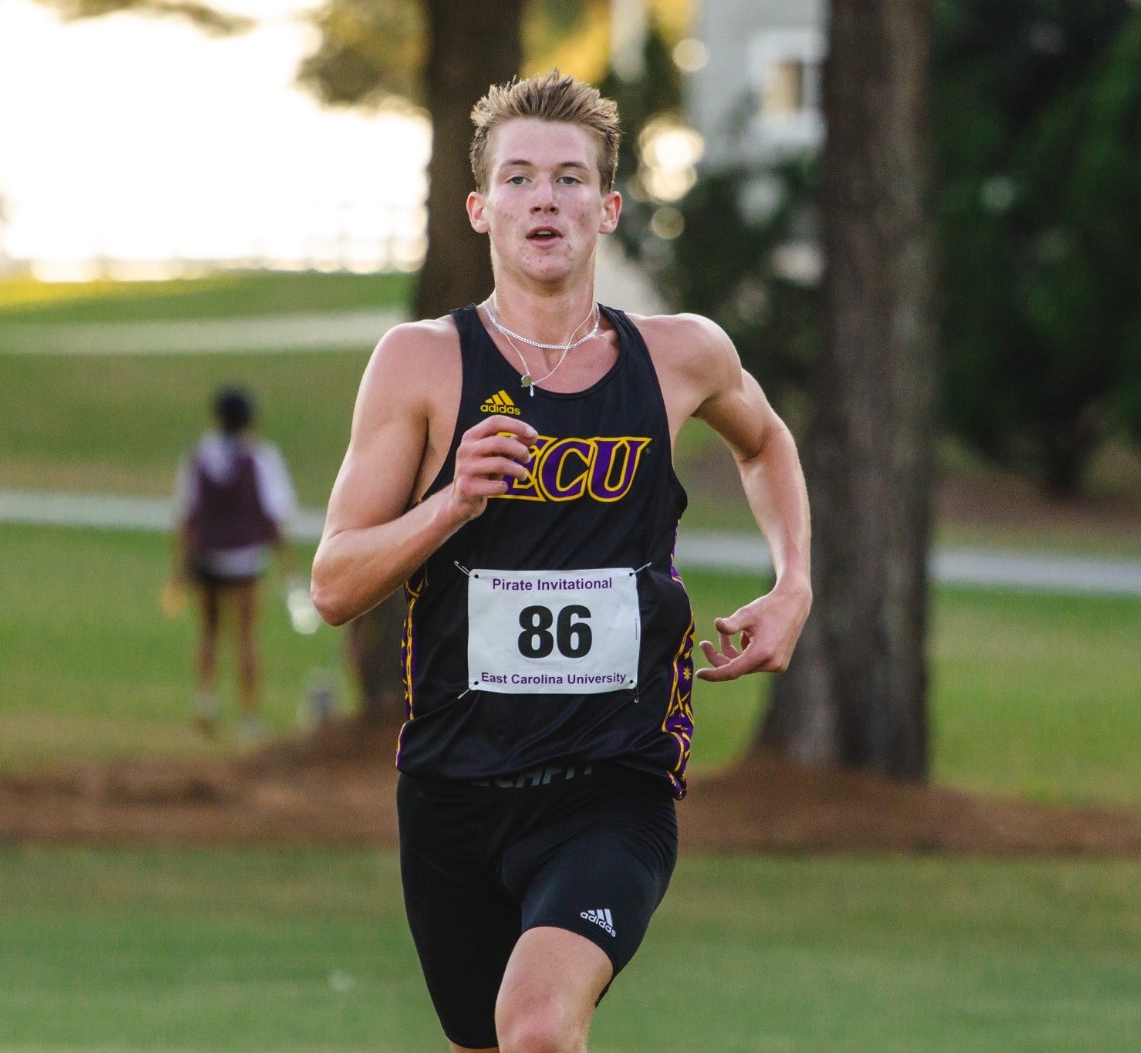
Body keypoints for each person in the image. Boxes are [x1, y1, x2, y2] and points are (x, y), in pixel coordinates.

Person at [310, 72, 811, 1053]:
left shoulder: (678, 358)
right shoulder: (421, 365)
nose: (545, 198)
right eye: (520, 178)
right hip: (454, 789)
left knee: (537, 1026)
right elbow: (333, 583)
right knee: (489, 1042)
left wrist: (791, 585)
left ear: (608, 208)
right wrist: (452, 500)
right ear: (480, 207)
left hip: (611, 779)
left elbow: (766, 445)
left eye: (571, 179)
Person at [172, 386, 296, 741]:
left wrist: (180, 566)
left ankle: (206, 702)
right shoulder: (260, 457)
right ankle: (248, 714)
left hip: (207, 556)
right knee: (246, 636)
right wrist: (287, 563)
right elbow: (275, 513)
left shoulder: (199, 456)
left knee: (208, 631)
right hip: (245, 560)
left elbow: (186, 514)